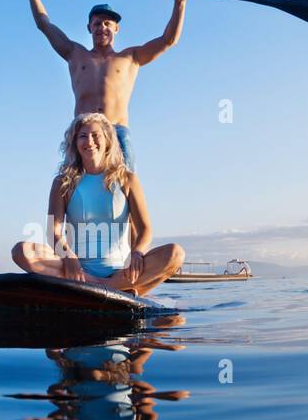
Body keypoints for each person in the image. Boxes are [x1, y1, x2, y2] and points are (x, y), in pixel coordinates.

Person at [22, 0, 186, 172]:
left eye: (108, 24)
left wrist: (179, 4)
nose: (102, 28)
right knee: (69, 185)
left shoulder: (131, 57)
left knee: (124, 188)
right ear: (89, 27)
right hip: (83, 130)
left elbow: (168, 40)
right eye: (97, 23)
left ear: (116, 28)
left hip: (116, 130)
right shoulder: (75, 53)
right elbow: (45, 25)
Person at [11, 113, 184, 296]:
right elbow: (53, 231)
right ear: (75, 144)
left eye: (96, 135)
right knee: (22, 251)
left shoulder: (127, 179)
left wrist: (137, 253)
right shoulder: (63, 182)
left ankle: (107, 285)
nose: (89, 141)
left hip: (122, 272)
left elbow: (145, 229)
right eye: (82, 136)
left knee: (175, 254)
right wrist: (69, 257)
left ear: (108, 140)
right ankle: (110, 288)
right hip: (76, 271)